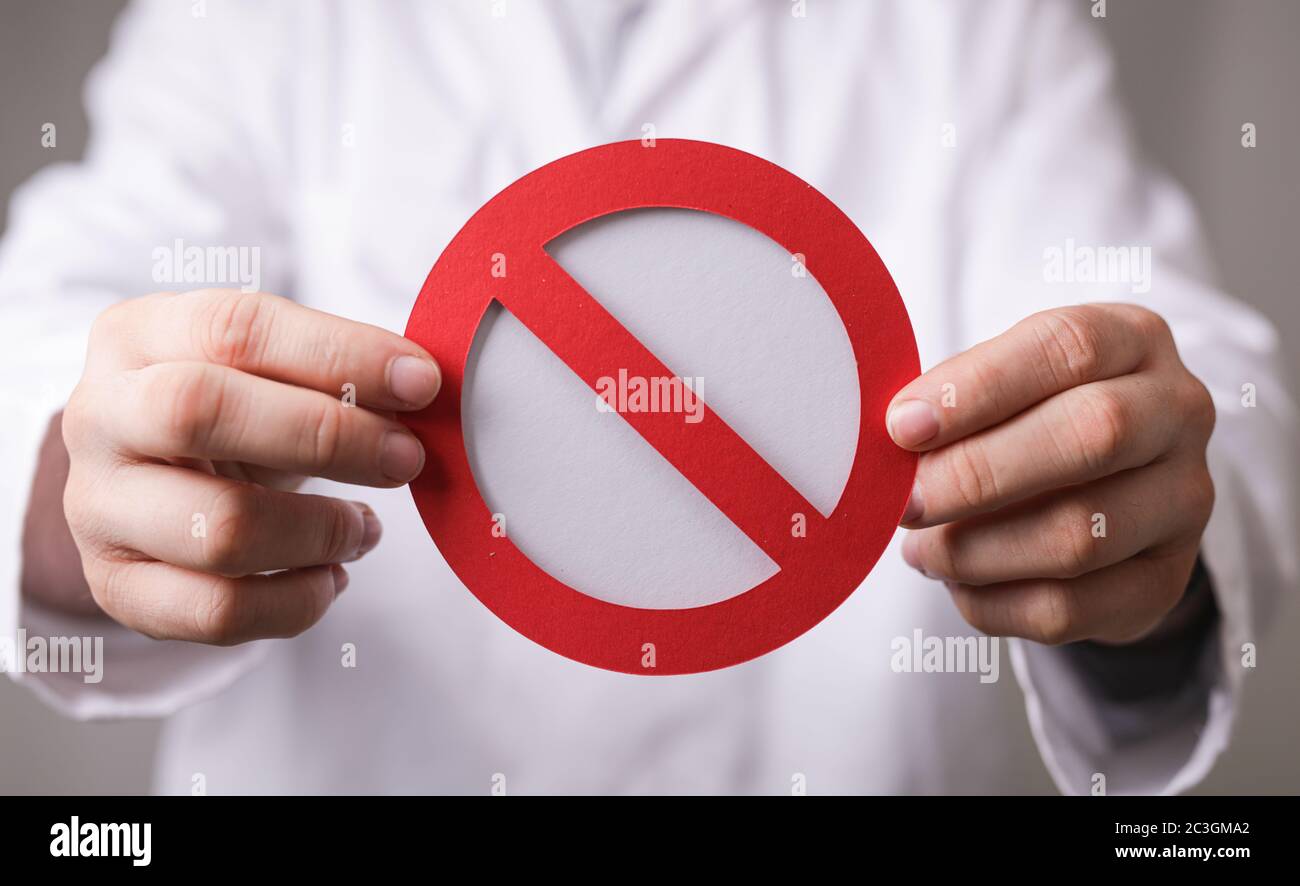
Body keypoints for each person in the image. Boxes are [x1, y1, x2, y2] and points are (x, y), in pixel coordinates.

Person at [2, 0, 1293, 795]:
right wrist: (87, 478)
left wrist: (1145, 512)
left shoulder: (976, 28)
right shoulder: (258, 21)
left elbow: (1194, 387)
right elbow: (57, 332)